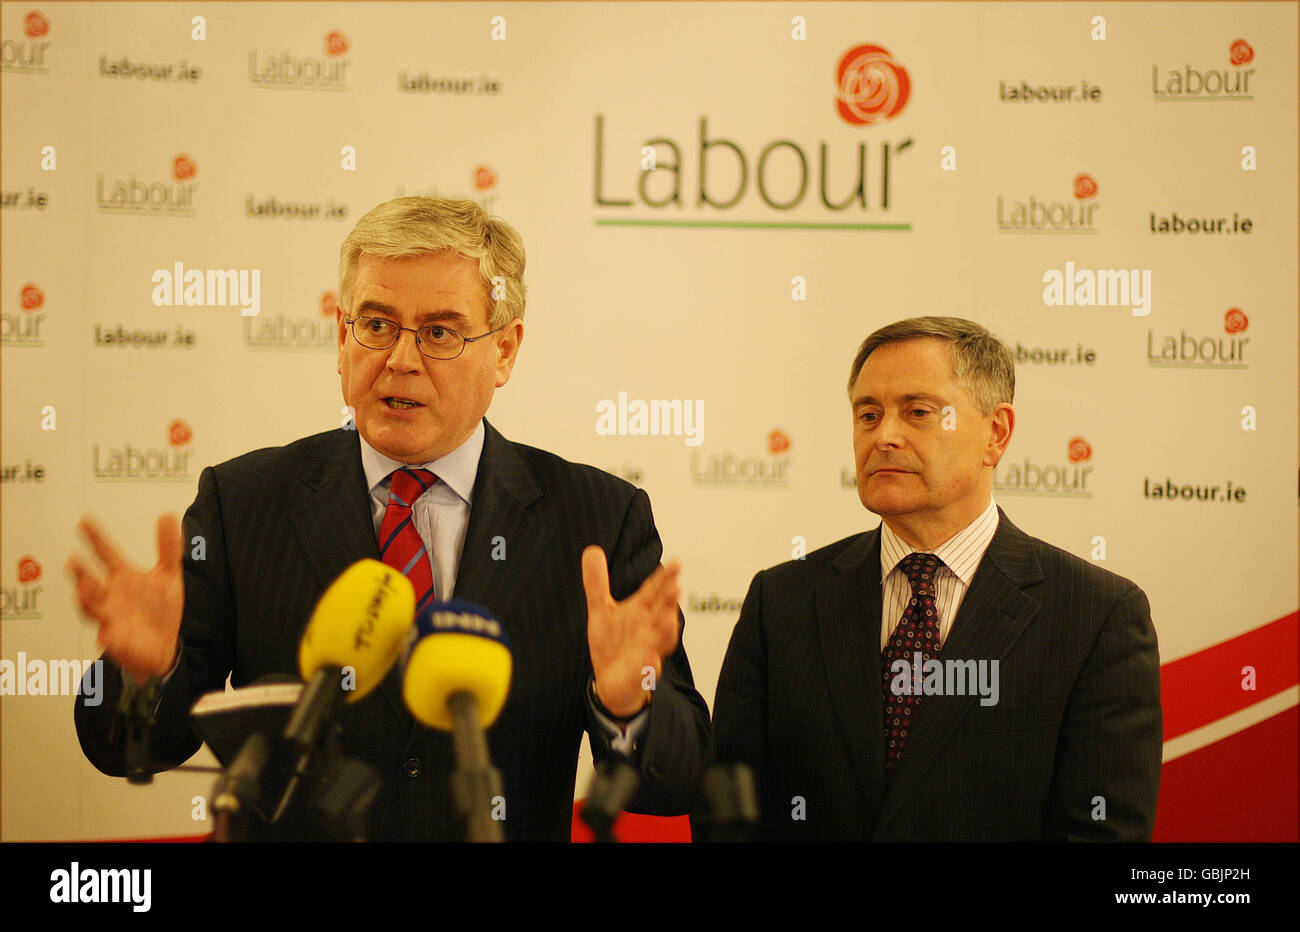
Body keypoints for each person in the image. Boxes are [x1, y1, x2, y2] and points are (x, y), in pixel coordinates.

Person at [70, 195, 710, 841]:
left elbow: (672, 785)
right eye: (375, 324)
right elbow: (127, 749)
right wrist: (142, 675)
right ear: (341, 338)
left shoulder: (597, 520)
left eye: (440, 332)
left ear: (505, 352)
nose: (401, 359)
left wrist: (630, 701)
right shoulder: (243, 503)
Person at [706, 316, 1161, 841]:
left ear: (997, 432)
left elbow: (1101, 832)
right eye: (868, 414)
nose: (884, 436)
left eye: (918, 412)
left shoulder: (1096, 615)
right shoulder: (781, 599)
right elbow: (728, 810)